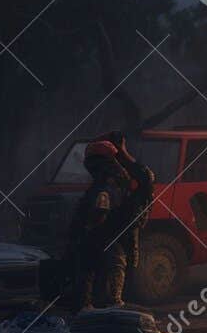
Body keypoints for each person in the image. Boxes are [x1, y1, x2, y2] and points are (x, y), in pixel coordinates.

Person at [63, 140, 131, 312]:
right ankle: (104, 304)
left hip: (102, 235)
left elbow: (101, 210)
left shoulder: (107, 184)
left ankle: (102, 304)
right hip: (102, 235)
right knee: (96, 267)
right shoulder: (111, 182)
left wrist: (89, 230)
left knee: (99, 267)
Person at [105, 130, 156, 295]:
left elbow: (145, 179)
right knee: (119, 260)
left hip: (128, 220)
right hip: (117, 220)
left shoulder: (137, 170)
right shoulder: (118, 167)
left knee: (127, 260)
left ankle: (125, 296)